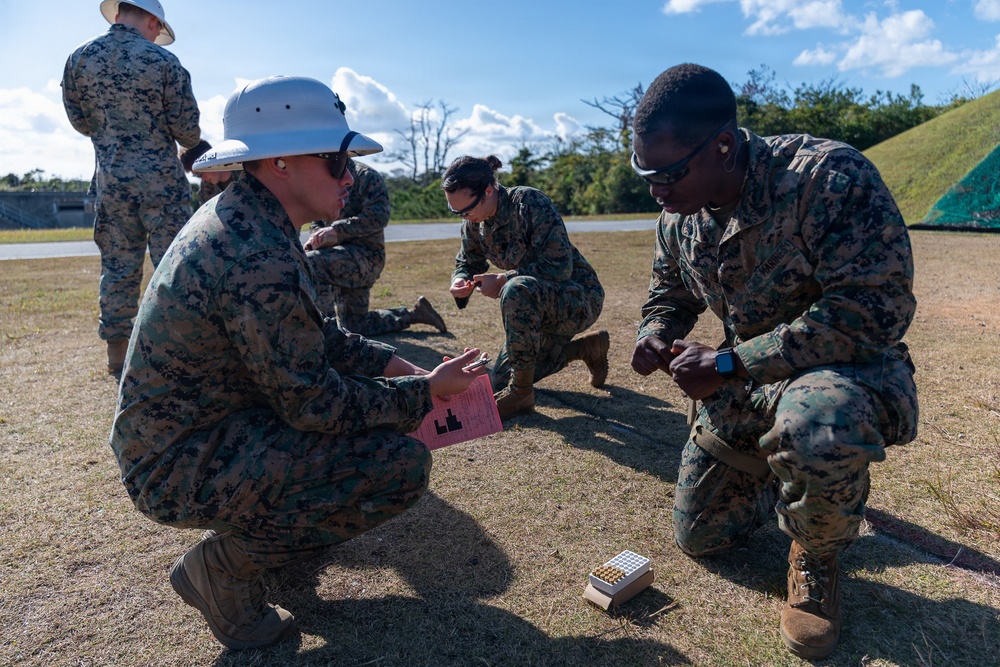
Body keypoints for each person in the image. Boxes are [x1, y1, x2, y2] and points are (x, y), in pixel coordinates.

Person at [109, 75, 487, 650]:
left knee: (355, 444)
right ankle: (222, 569)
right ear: (281, 162)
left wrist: (391, 365)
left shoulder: (250, 217)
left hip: (194, 434)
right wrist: (423, 394)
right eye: (337, 161)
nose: (351, 175)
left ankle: (263, 530)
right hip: (176, 464)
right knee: (395, 465)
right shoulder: (254, 251)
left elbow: (313, 338)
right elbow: (315, 402)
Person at [629, 63, 918, 660]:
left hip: (842, 375)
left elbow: (874, 310)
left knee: (816, 425)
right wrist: (655, 332)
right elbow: (669, 294)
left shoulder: (828, 179)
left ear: (725, 145)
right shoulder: (678, 215)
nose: (657, 190)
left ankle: (815, 556)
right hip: (749, 384)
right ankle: (787, 472)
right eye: (646, 175)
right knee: (702, 536)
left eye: (670, 173)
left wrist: (733, 362)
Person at [61, 0, 202, 373]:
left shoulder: (79, 59)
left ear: (120, 13)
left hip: (111, 183)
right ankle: (178, 354)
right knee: (173, 267)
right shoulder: (163, 62)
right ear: (152, 21)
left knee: (118, 268)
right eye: (159, 29)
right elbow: (187, 130)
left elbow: (79, 121)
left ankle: (117, 355)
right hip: (162, 185)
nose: (158, 36)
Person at [443, 155, 610, 419]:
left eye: (467, 209)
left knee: (516, 289)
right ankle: (586, 349)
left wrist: (504, 279)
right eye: (457, 212)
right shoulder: (474, 223)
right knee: (499, 379)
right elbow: (467, 260)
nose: (464, 216)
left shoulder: (529, 203)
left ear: (488, 190)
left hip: (577, 299)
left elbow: (559, 268)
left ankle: (521, 395)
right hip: (533, 310)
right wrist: (459, 280)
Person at [304, 156, 447, 335]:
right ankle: (414, 314)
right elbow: (316, 219)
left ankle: (325, 334)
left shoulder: (366, 177)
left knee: (313, 263)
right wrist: (315, 238)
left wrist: (337, 230)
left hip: (365, 258)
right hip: (332, 257)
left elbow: (379, 216)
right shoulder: (324, 177)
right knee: (355, 327)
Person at [179, 139, 234, 207]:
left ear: (210, 158)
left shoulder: (244, 170)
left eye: (200, 173)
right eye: (197, 175)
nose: (203, 179)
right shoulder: (206, 190)